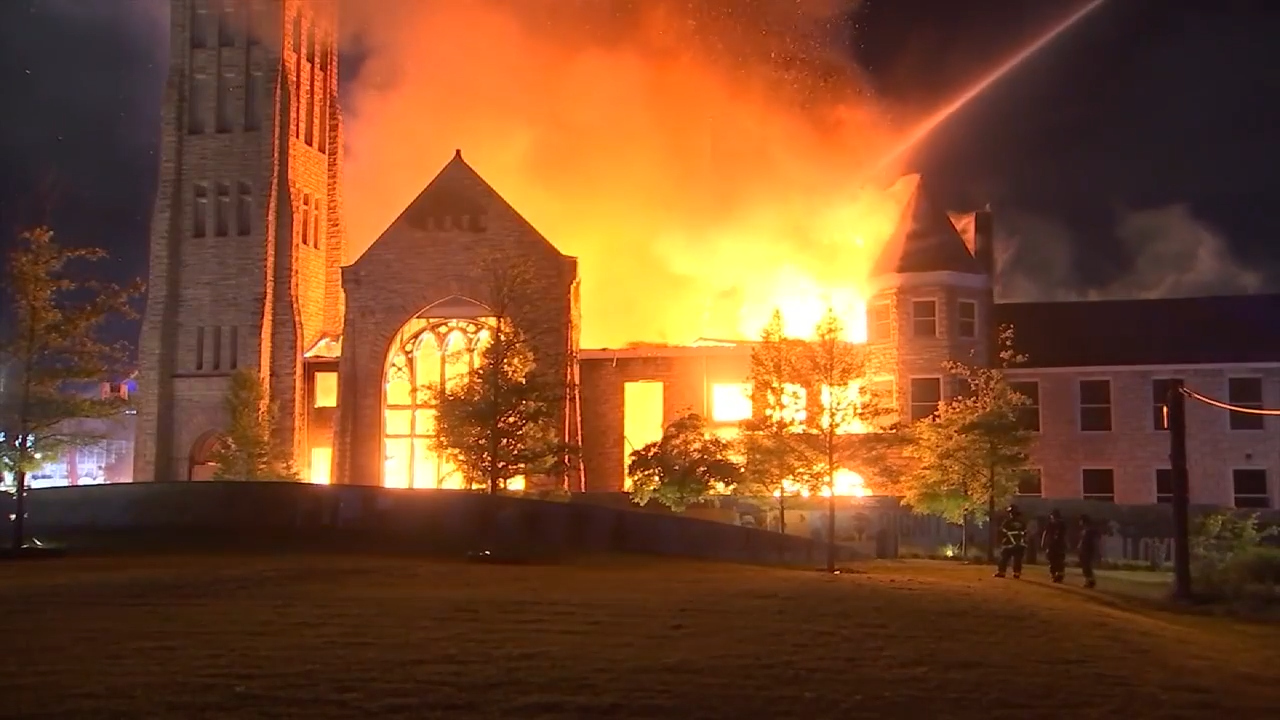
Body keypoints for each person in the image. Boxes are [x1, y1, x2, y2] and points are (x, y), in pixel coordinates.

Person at [993, 504, 1028, 579]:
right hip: (1019, 544)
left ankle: (1002, 572)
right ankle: (1016, 573)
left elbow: (1002, 532)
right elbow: (1025, 533)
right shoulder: (1022, 523)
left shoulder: (1007, 522)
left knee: (1004, 558)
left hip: (1009, 544)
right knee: (1017, 559)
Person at [1040, 509, 1068, 583]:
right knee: (1054, 560)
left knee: (1057, 560)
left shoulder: (1059, 524)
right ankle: (1056, 574)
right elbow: (1045, 533)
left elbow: (1064, 534)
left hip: (1057, 544)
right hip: (1054, 544)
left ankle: (1058, 574)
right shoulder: (1052, 524)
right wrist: (1043, 541)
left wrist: (1043, 542)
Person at [1078, 514, 1099, 589]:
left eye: (1080, 521)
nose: (1079, 522)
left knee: (1087, 566)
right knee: (1085, 566)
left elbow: (1095, 541)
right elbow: (1082, 541)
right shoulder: (1084, 530)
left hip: (1088, 550)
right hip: (1083, 550)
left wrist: (1096, 551)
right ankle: (1089, 580)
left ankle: (1090, 580)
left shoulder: (1090, 531)